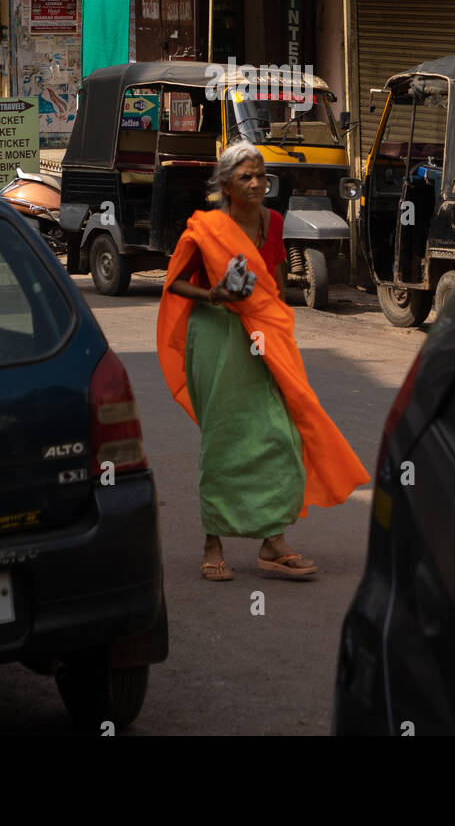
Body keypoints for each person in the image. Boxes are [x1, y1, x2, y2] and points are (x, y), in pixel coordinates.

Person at [156, 141, 369, 582]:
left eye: (260, 176)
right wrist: (216, 294)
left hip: (263, 334)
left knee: (281, 434)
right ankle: (213, 543)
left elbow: (274, 280)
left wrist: (273, 320)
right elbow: (175, 284)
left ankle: (273, 542)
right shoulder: (206, 227)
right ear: (225, 185)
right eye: (245, 177)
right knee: (224, 438)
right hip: (215, 334)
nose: (256, 184)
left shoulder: (273, 222)